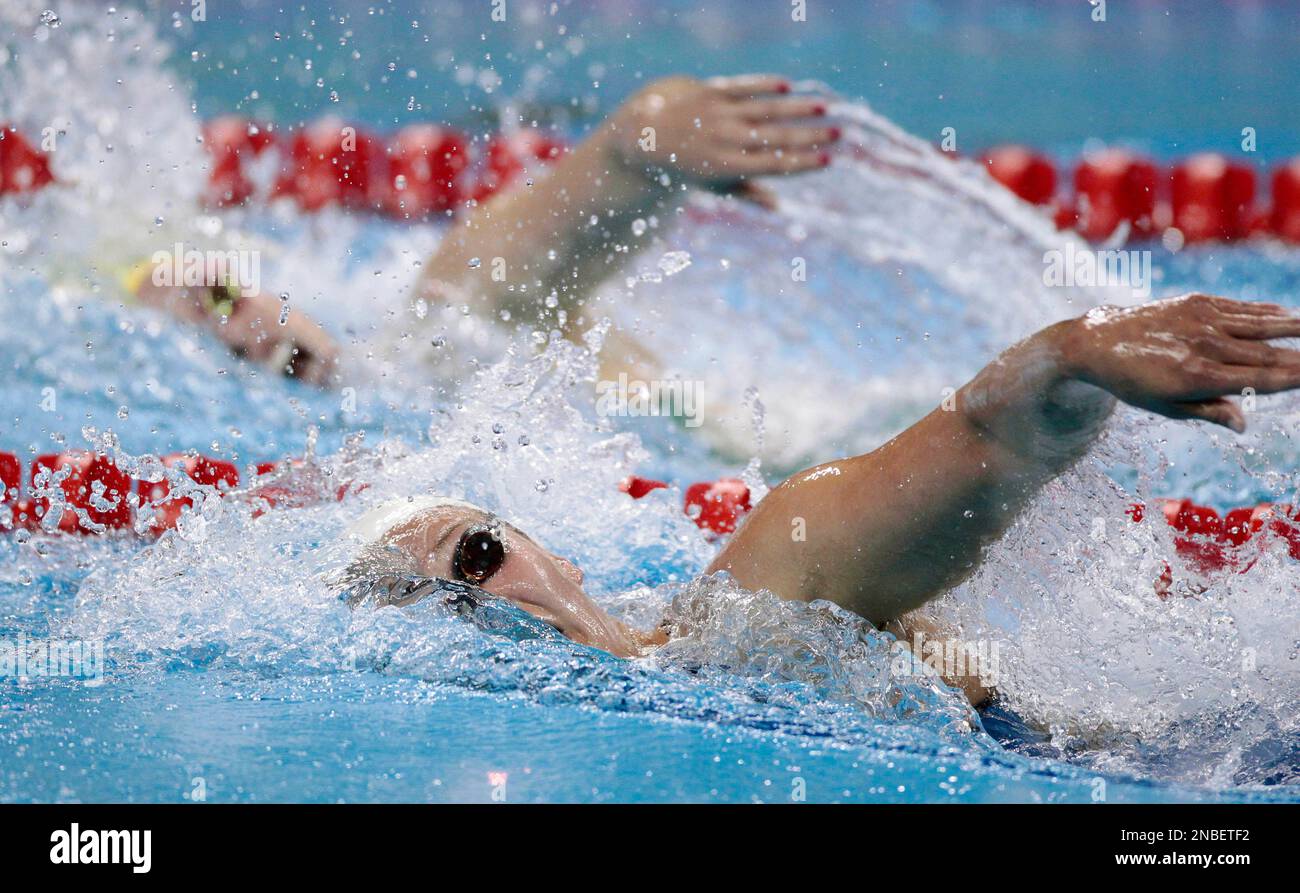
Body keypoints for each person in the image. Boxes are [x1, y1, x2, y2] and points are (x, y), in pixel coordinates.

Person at [342, 292, 1300, 706]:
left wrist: (1077, 352)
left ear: (561, 556)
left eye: (475, 554)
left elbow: (986, 439)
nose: (476, 600)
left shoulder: (744, 607)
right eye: (428, 602)